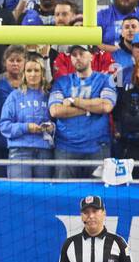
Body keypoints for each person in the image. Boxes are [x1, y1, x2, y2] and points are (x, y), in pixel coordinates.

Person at [48, 43, 118, 179]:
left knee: (97, 196)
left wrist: (74, 101)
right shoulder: (61, 82)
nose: (78, 57)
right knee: (64, 195)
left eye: (82, 53)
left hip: (97, 147)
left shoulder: (106, 80)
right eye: (74, 55)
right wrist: (91, 107)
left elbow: (106, 107)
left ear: (91, 56)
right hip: (65, 148)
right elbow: (55, 111)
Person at [0, 55, 55, 178]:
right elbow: (4, 126)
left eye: (36, 70)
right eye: (29, 70)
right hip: (20, 151)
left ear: (42, 73)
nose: (33, 74)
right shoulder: (14, 96)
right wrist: (26, 127)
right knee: (20, 194)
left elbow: (58, 123)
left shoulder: (50, 96)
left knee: (43, 195)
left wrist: (51, 127)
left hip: (44, 151)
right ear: (24, 73)